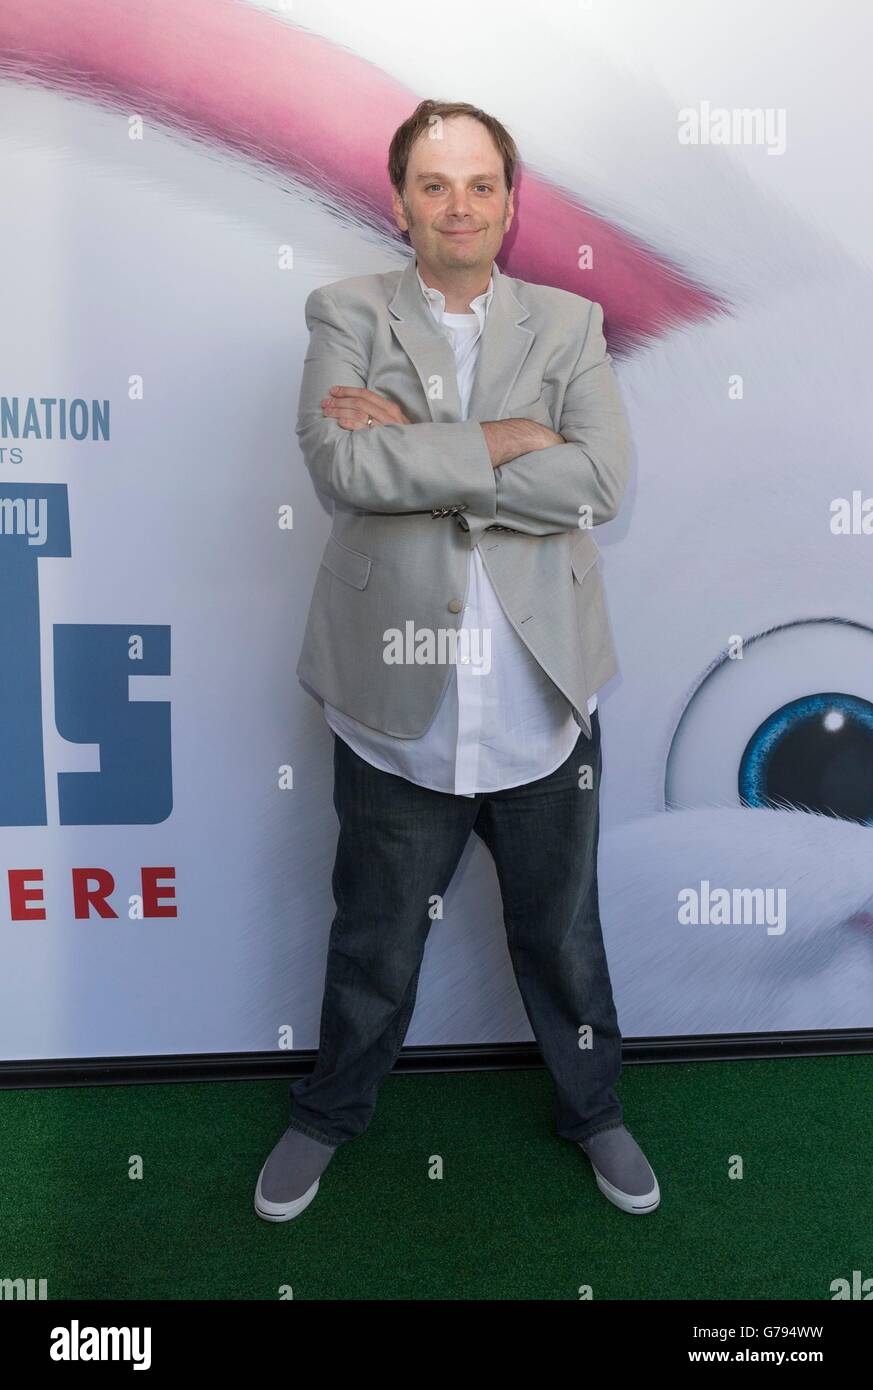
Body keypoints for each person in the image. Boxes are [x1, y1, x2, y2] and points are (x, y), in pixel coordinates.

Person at [255, 99, 659, 1221]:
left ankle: (597, 1111)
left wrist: (418, 446)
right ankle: (329, 1111)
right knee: (375, 940)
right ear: (399, 202)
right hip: (394, 709)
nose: (460, 206)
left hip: (543, 703)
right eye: (434, 185)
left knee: (563, 938)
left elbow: (600, 484)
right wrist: (506, 441)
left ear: (511, 200)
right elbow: (345, 468)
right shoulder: (344, 310)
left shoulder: (571, 324)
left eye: (481, 184)